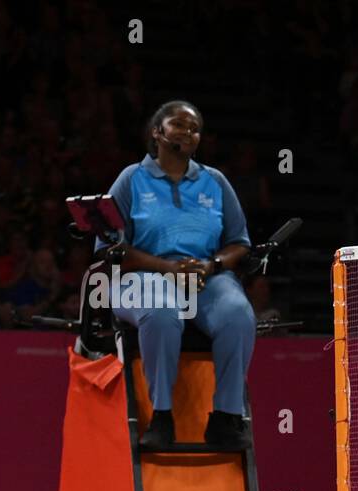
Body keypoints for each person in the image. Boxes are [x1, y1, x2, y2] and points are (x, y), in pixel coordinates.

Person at [101, 100, 256, 448]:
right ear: (157, 132)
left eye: (195, 127)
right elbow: (113, 247)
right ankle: (161, 417)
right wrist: (167, 268)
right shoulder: (132, 179)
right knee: (162, 312)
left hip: (204, 277)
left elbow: (239, 243)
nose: (189, 132)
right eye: (179, 125)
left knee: (237, 314)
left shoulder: (214, 181)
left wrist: (211, 265)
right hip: (143, 276)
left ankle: (227, 418)